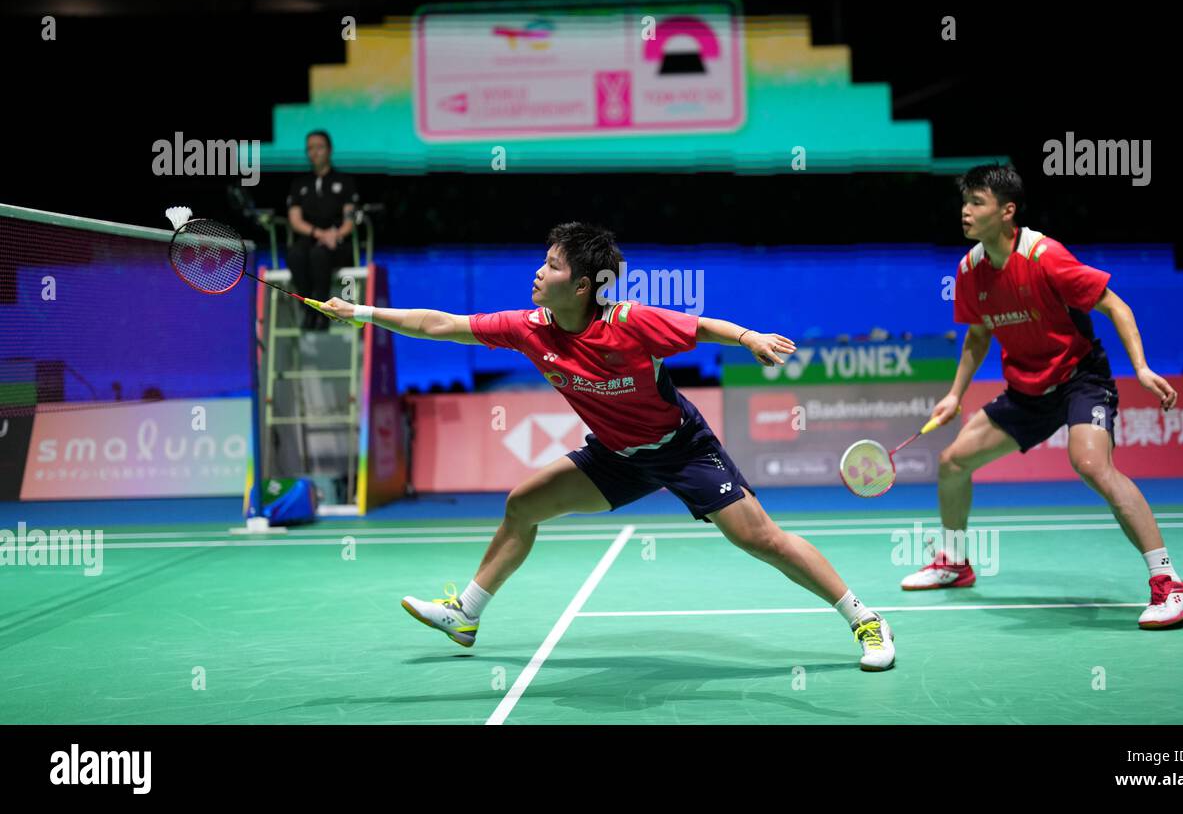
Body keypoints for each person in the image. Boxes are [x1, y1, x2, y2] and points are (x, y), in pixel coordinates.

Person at [317, 222, 897, 670]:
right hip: (616, 456)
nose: (538, 273)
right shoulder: (531, 327)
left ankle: (864, 619)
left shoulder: (630, 322)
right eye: (543, 262)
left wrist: (751, 338)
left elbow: (701, 327)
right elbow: (441, 324)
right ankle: (466, 614)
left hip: (682, 448)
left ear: (584, 284)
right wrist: (360, 313)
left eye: (551, 265)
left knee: (760, 539)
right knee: (523, 503)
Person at [902, 163, 1183, 629]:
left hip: (1081, 379)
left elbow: (1114, 304)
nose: (965, 211)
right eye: (964, 202)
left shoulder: (1046, 256)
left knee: (1091, 464)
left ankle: (1170, 584)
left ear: (1007, 211)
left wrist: (1140, 368)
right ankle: (955, 562)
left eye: (976, 203)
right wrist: (955, 394)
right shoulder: (970, 270)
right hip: (1026, 390)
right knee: (952, 462)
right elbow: (979, 335)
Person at [286, 130, 358, 330]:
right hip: (310, 239)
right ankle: (309, 310)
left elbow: (349, 220)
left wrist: (336, 235)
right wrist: (319, 234)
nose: (314, 152)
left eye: (319, 147)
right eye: (310, 148)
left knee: (319, 255)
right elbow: (295, 220)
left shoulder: (345, 182)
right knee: (295, 255)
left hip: (337, 242)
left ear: (329, 150)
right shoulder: (299, 184)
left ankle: (325, 311)